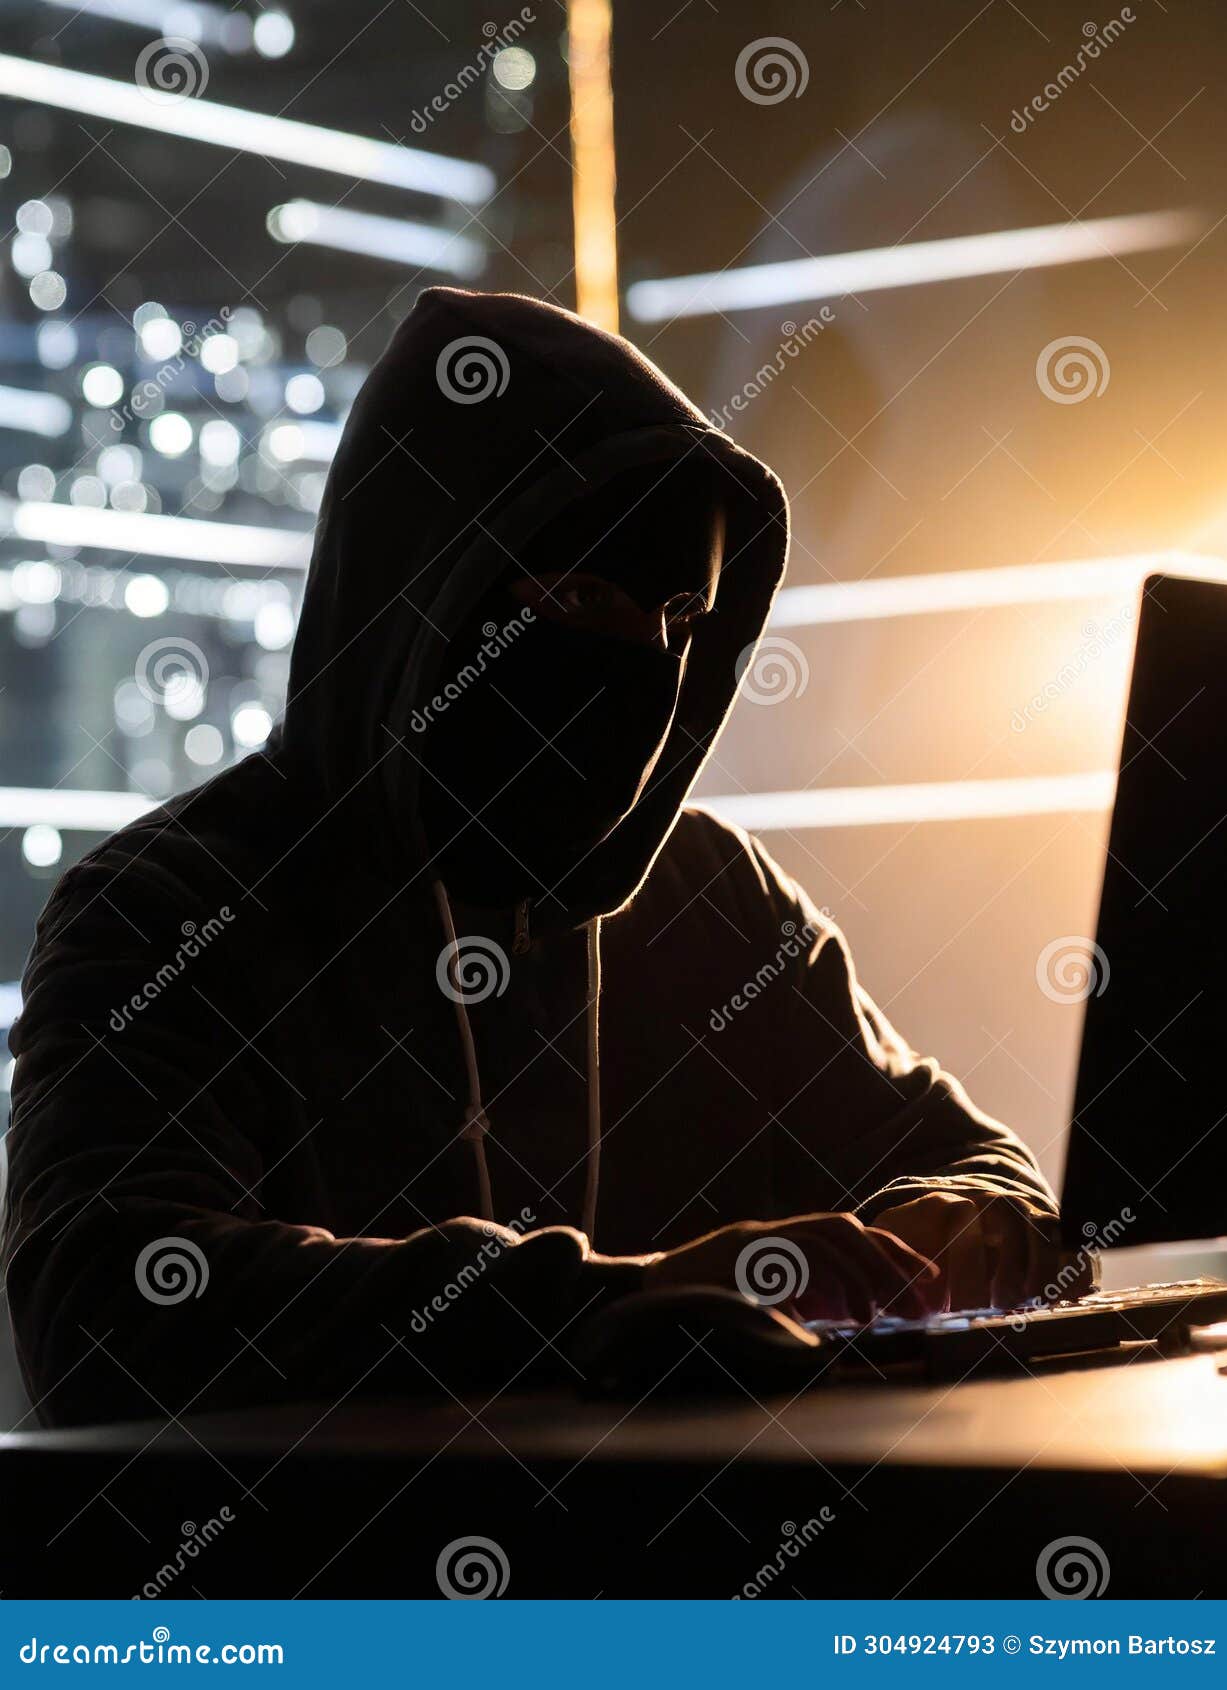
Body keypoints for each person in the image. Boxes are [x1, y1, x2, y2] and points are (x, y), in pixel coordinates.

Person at [3, 288, 1064, 1426]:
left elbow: (993, 1177)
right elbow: (107, 1302)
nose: (639, 666)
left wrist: (955, 1230)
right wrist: (607, 1305)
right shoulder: (166, 912)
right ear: (419, 590)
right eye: (581, 597)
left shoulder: (718, 903)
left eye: (676, 621)